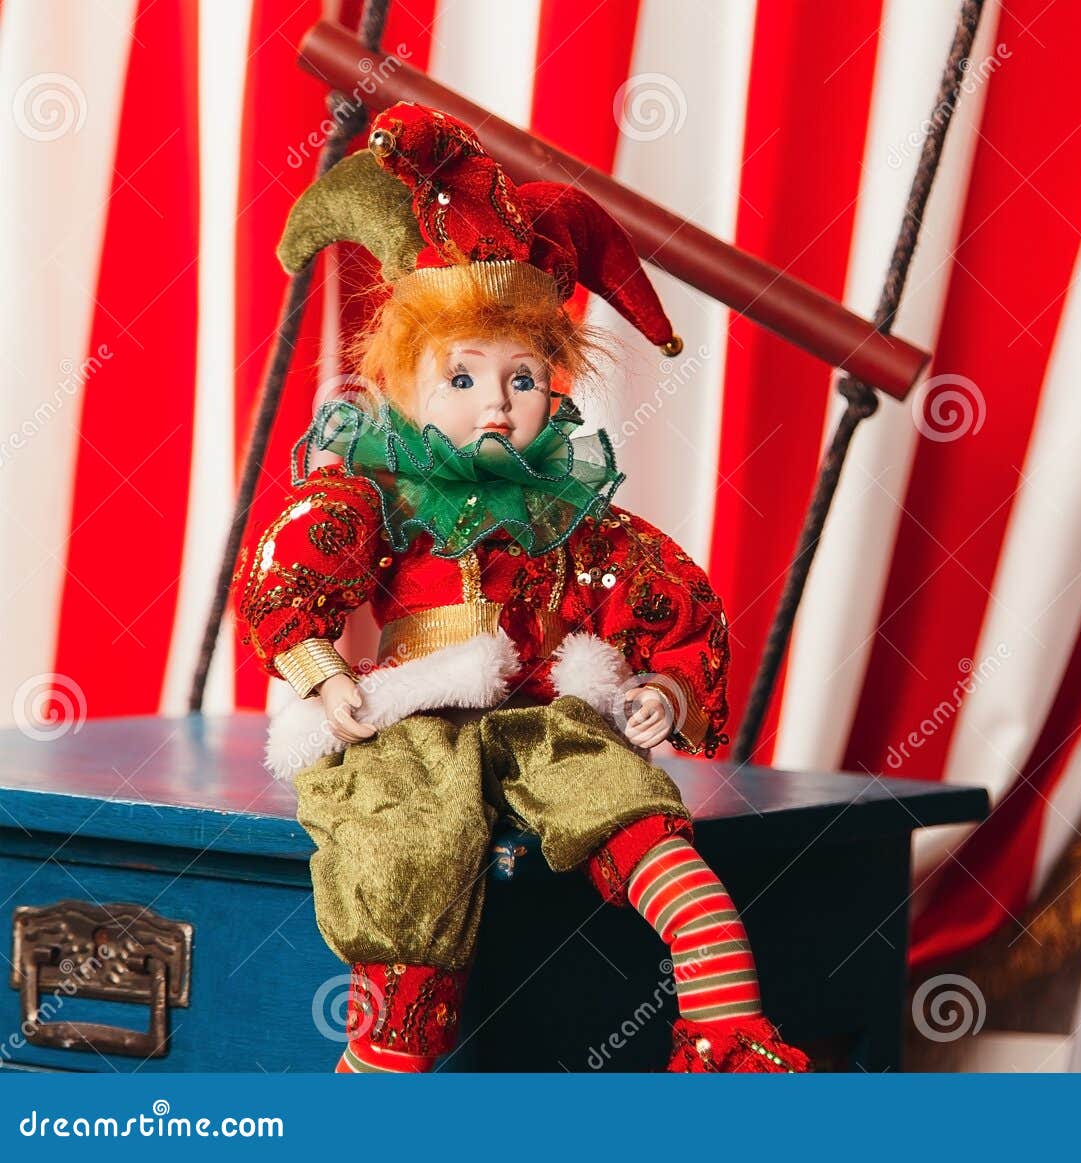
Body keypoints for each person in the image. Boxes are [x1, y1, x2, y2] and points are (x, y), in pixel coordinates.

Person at [231, 100, 807, 1074]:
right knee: (408, 844)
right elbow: (292, 571)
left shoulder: (572, 510)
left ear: (554, 385)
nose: (497, 400)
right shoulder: (382, 488)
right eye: (463, 377)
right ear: (404, 386)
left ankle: (724, 1028)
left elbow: (666, 594)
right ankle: (386, 1066)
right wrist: (326, 674)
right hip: (418, 719)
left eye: (523, 375)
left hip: (545, 713)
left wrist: (660, 691)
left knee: (632, 804)